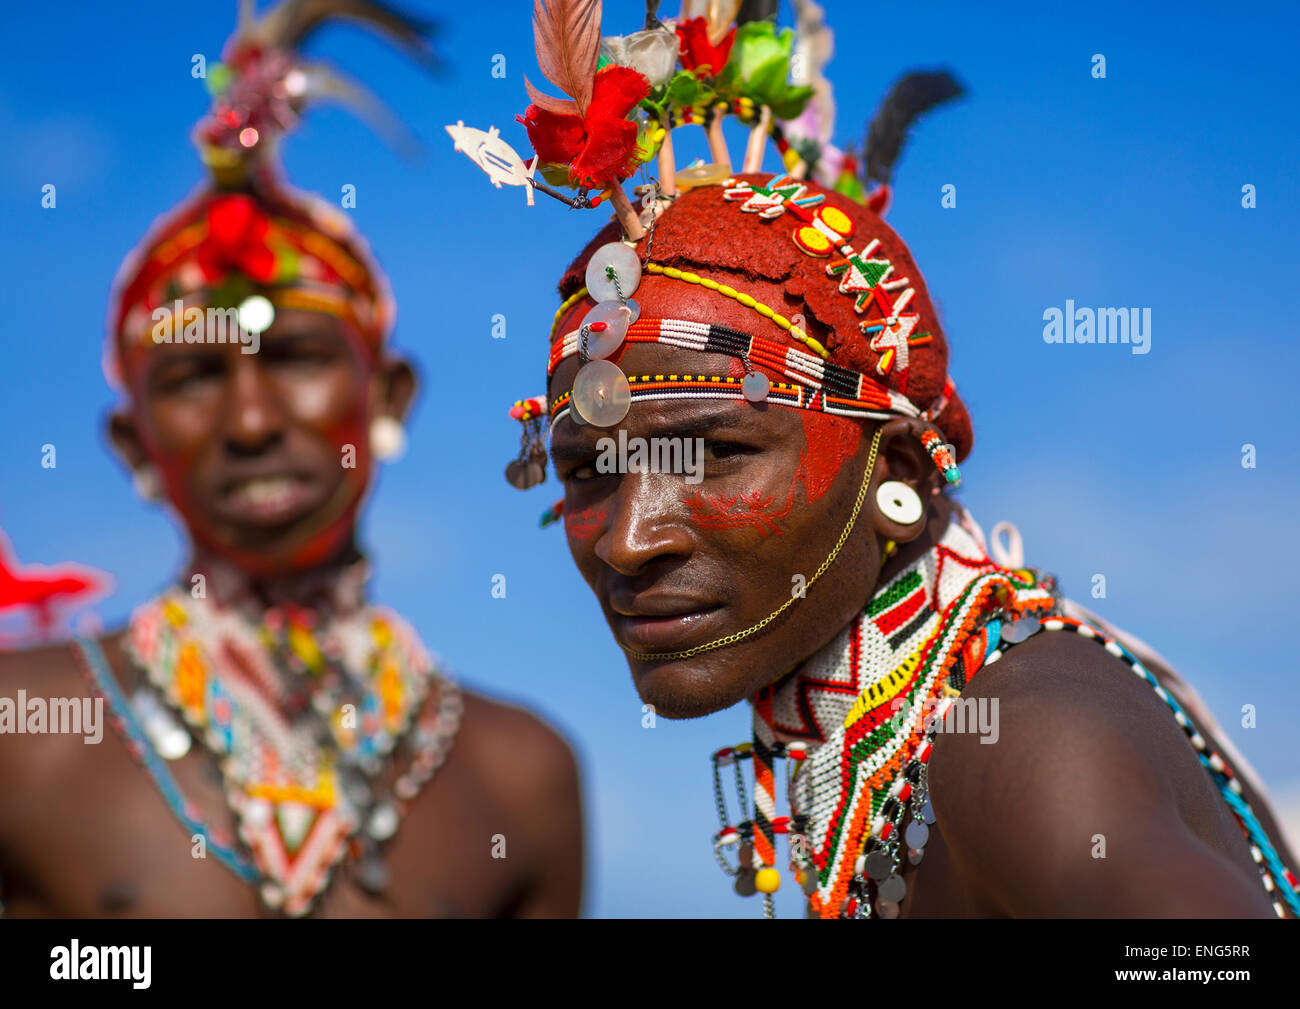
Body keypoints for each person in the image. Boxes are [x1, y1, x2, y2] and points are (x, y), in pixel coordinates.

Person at [459, 0, 1300, 918]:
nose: (629, 539)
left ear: (895, 466)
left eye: (714, 450)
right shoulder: (897, 744)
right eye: (588, 471)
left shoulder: (1017, 737)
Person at [0, 0, 581, 918]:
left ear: (390, 398)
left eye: (300, 359)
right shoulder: (20, 735)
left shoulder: (520, 780)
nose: (253, 420)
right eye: (193, 375)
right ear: (132, 443)